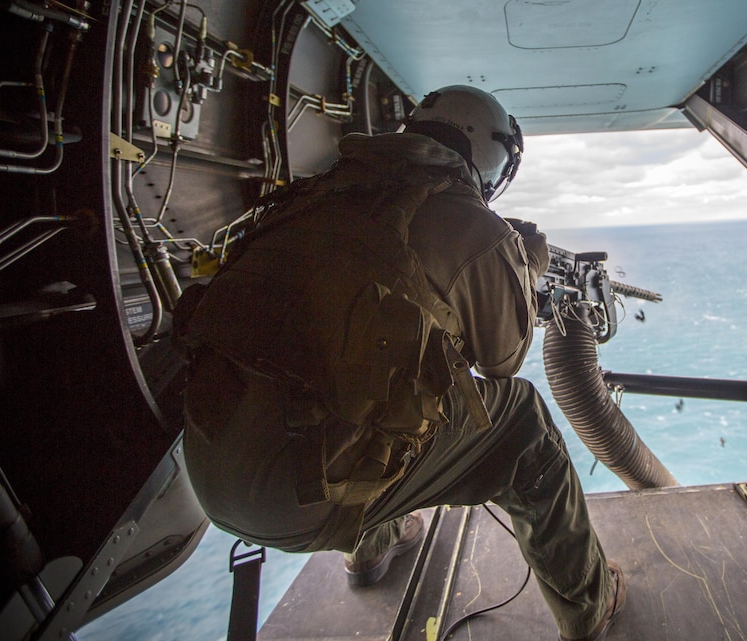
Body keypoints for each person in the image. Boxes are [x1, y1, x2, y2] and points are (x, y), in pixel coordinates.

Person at [178, 85, 626, 641]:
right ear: (487, 155)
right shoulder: (473, 227)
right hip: (305, 498)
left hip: (210, 470)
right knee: (523, 421)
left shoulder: (316, 194)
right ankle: (590, 605)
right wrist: (521, 267)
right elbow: (504, 362)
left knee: (383, 370)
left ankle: (373, 549)